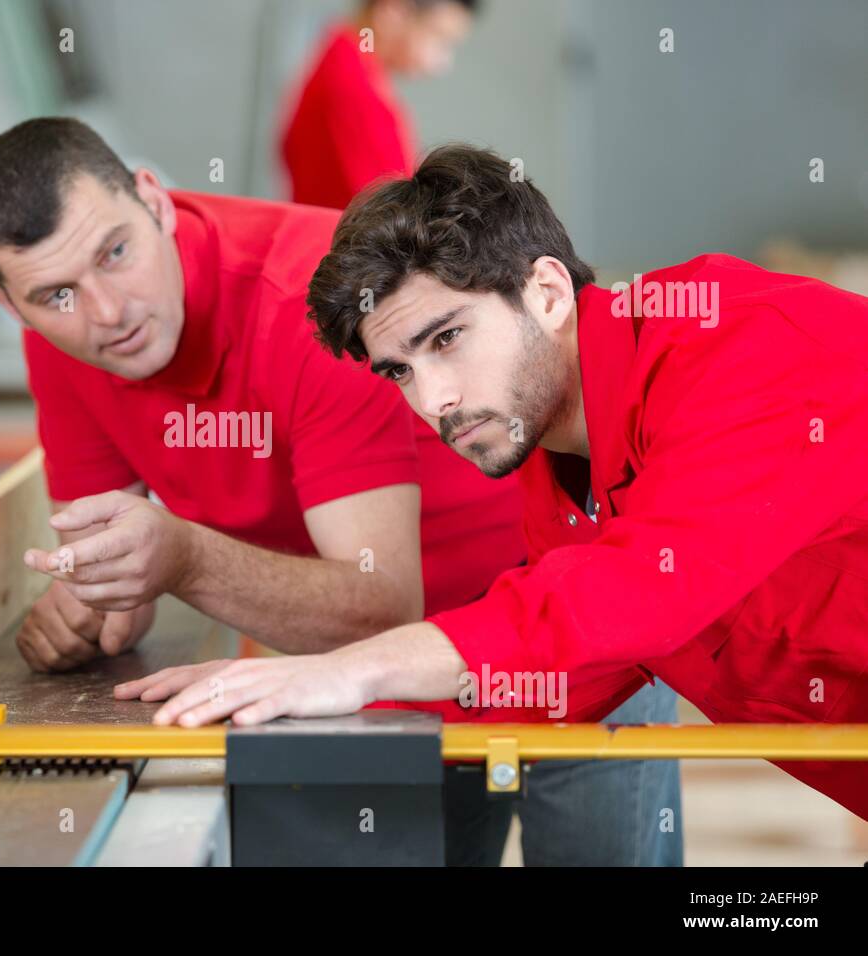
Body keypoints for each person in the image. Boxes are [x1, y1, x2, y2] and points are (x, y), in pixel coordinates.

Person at [0, 119, 682, 863]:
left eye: (116, 252)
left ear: (155, 201)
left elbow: (378, 601)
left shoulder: (308, 299)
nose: (107, 312)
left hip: (567, 613)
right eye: (55, 294)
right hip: (389, 673)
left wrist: (180, 559)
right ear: (7, 302)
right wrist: (94, 599)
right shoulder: (63, 342)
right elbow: (112, 593)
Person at [123, 142, 868, 823]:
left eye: (447, 339)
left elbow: (639, 591)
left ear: (546, 291)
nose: (433, 401)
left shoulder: (739, 348)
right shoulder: (559, 487)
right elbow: (558, 677)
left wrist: (356, 668)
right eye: (400, 371)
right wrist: (303, 713)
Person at [281, 0, 476, 209]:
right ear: (394, 10)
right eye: (439, 39)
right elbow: (399, 210)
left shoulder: (348, 63)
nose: (441, 64)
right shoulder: (352, 84)